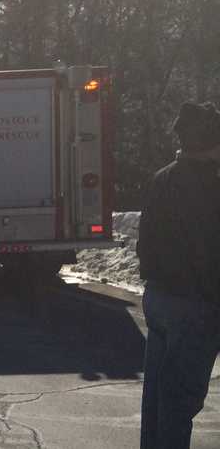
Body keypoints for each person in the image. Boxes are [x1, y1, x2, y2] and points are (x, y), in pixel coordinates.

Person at [138, 101, 220, 449]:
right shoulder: (211, 187)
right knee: (180, 400)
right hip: (197, 304)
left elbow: (146, 244)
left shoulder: (164, 178)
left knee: (159, 396)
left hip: (159, 299)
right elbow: (209, 253)